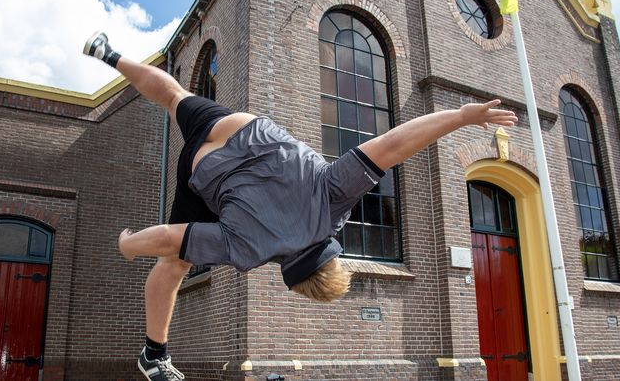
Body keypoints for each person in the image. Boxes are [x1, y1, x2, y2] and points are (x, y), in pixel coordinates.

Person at [82, 31, 518, 381]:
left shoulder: (333, 201)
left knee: (173, 95)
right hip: (203, 166)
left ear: (332, 254)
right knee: (175, 263)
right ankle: (154, 352)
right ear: (293, 281)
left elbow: (392, 145)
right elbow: (166, 238)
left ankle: (109, 53)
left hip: (237, 129)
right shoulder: (250, 250)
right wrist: (129, 245)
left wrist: (461, 117)